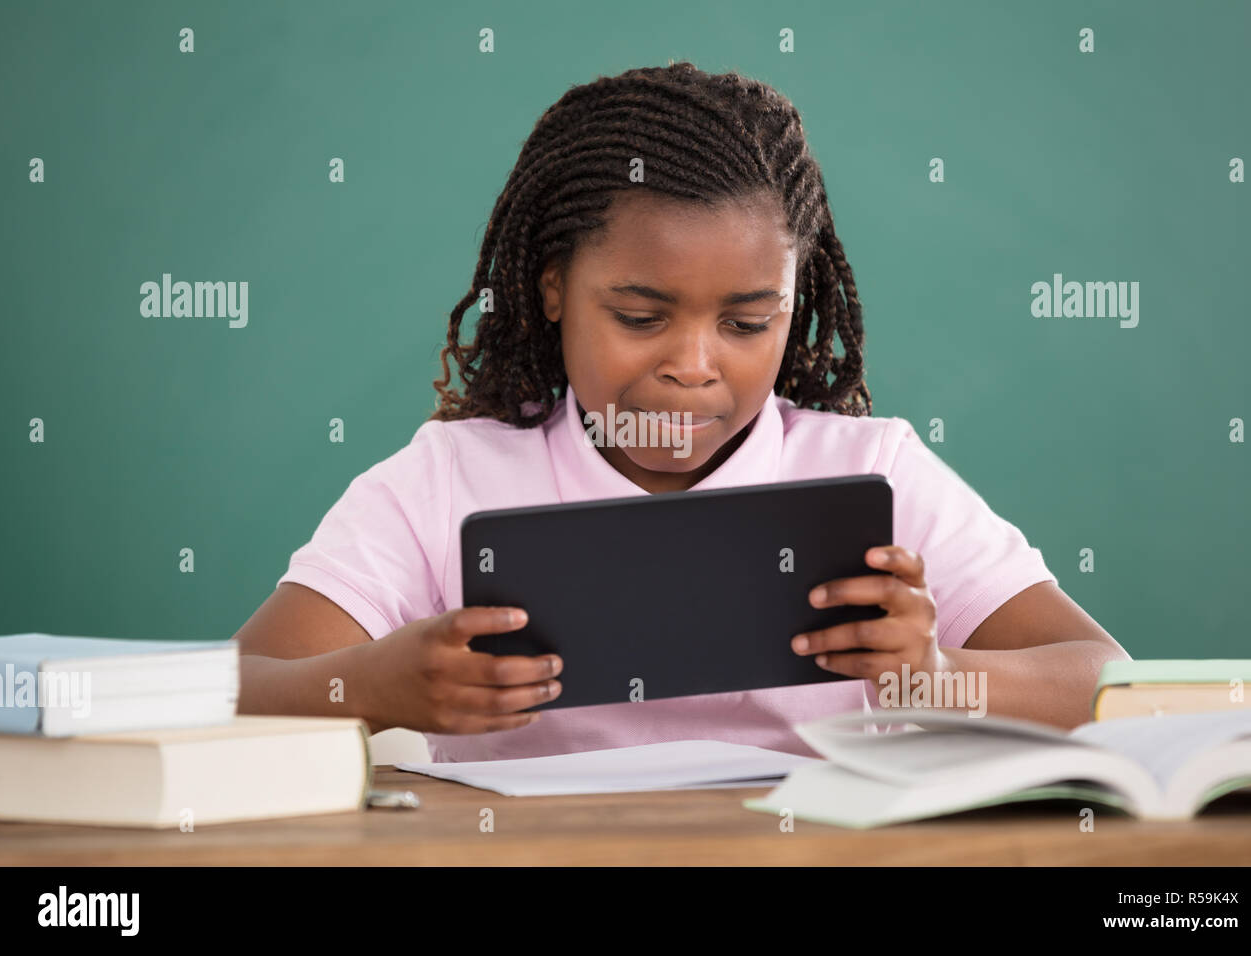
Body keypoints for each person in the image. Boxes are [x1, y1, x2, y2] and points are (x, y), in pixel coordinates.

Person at [233, 62, 1128, 761]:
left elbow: (1105, 678)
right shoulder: (446, 482)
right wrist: (369, 685)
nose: (693, 368)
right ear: (553, 289)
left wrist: (940, 677)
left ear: (793, 306)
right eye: (639, 317)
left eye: (746, 322)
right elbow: (233, 686)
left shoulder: (876, 475)